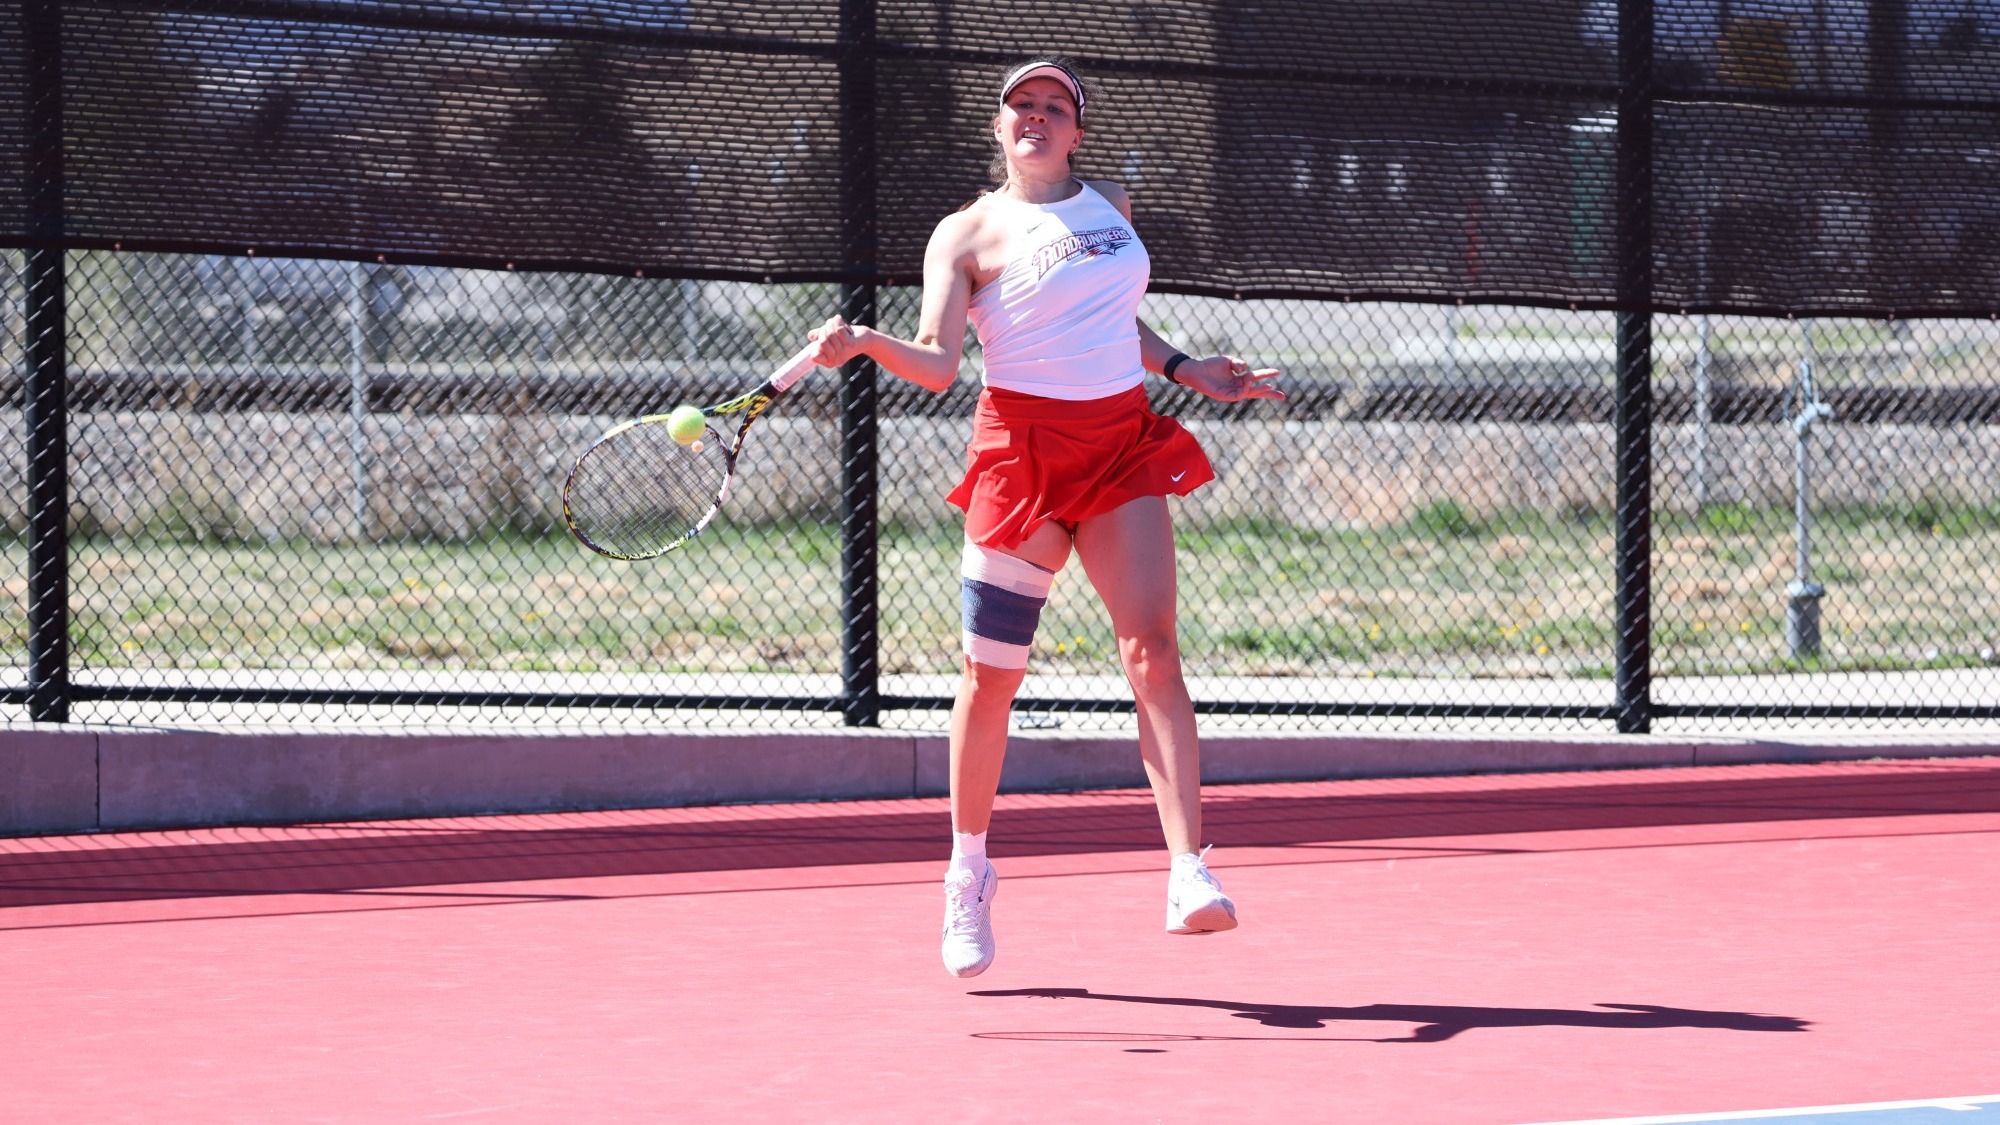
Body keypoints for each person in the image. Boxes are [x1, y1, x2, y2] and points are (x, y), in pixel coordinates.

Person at [805, 57, 1283, 978]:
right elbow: (939, 362)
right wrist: (863, 342)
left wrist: (1187, 368)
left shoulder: (1112, 205)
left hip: (1119, 446)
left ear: (1076, 131)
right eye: (1020, 104)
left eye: (1054, 106)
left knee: (1153, 650)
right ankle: (969, 870)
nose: (1036, 116)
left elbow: (1114, 321)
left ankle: (1188, 869)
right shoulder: (966, 233)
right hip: (1019, 457)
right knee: (990, 679)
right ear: (998, 126)